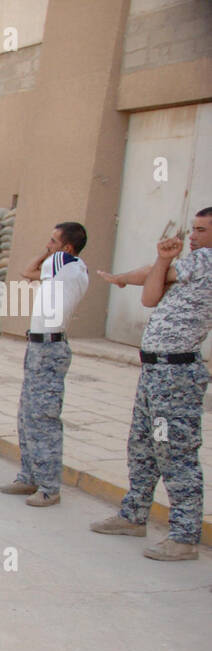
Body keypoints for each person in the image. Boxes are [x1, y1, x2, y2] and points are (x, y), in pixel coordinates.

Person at [92, 208, 211, 560]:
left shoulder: (205, 260)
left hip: (176, 374)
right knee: (144, 444)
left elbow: (149, 286)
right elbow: (151, 291)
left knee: (174, 451)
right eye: (194, 229)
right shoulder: (189, 267)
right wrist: (141, 271)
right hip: (157, 371)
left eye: (202, 230)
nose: (194, 236)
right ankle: (134, 514)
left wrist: (135, 273)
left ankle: (184, 536)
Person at [1, 221, 90, 507]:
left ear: (67, 247)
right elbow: (27, 272)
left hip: (50, 347)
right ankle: (29, 475)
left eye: (52, 241)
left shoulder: (68, 263)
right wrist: (47, 249)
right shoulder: (60, 267)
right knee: (27, 413)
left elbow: (28, 271)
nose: (47, 246)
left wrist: (51, 251)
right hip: (38, 345)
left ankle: (50, 486)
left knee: (44, 418)